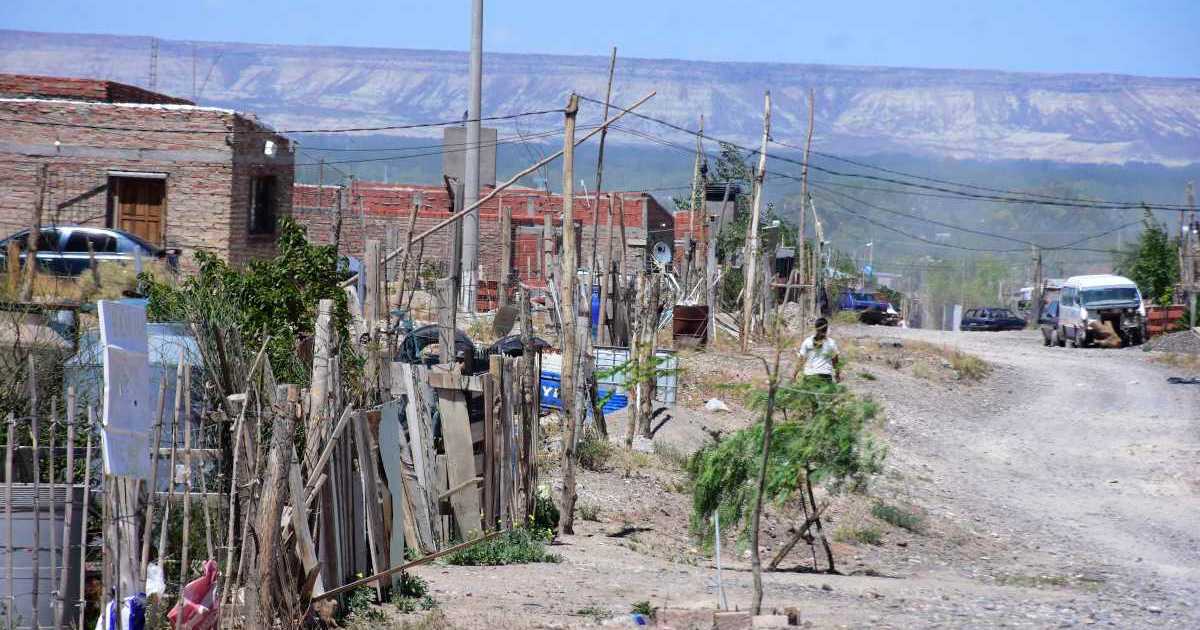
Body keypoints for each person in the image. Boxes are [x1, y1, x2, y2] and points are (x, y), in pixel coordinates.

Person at [798, 317, 841, 383]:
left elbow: (800, 360)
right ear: (826, 329)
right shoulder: (831, 343)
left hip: (809, 375)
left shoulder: (807, 341)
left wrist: (794, 375)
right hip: (825, 376)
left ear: (815, 328)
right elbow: (835, 362)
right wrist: (837, 376)